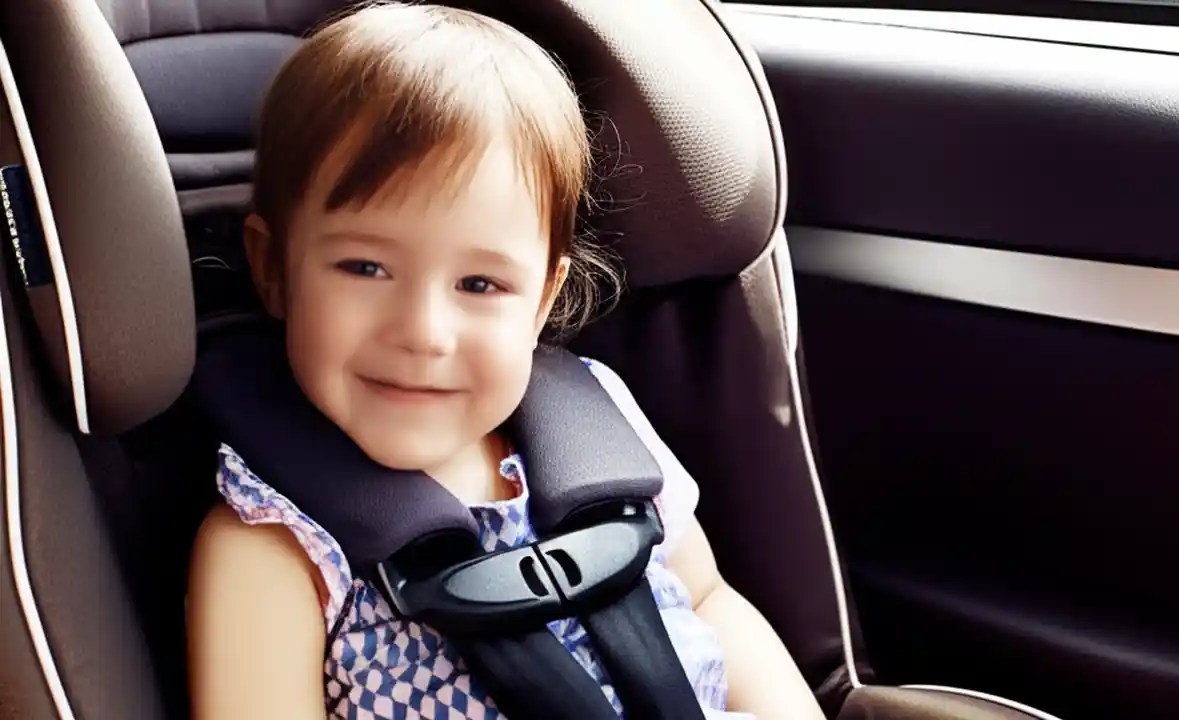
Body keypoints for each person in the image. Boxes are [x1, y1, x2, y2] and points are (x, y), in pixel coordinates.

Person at [185, 4, 824, 719]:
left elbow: (707, 600)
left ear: (544, 298)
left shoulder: (597, 435)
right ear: (273, 268)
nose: (424, 332)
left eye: (480, 284)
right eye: (365, 268)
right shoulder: (274, 551)